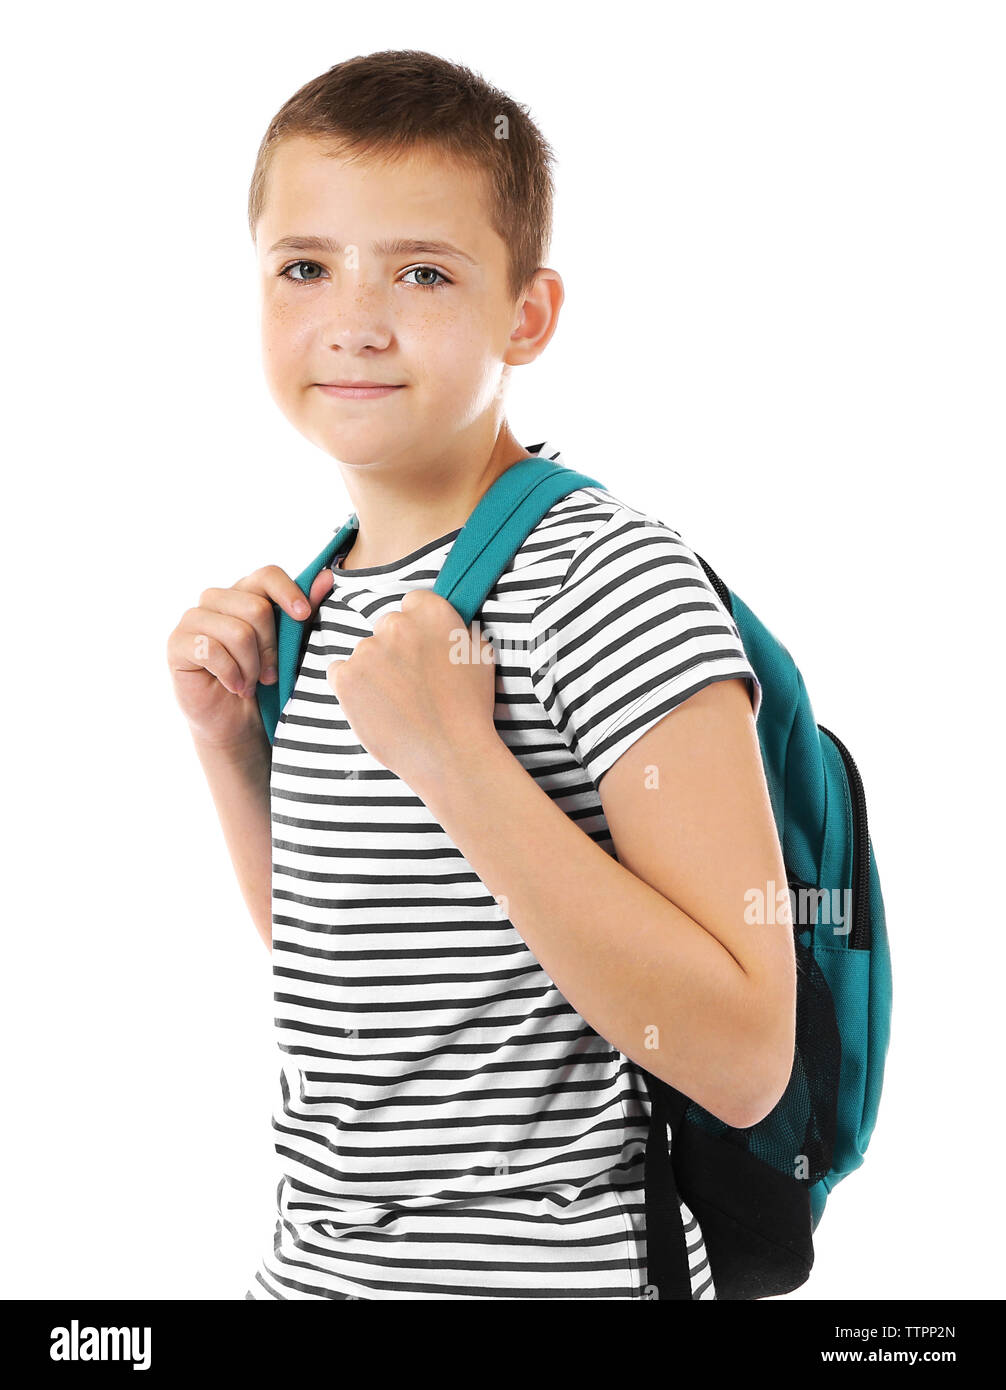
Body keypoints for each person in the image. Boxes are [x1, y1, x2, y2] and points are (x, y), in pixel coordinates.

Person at [166, 50, 796, 1300]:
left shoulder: (605, 574)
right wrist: (232, 747)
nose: (352, 317)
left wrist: (460, 758)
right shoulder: (328, 593)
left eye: (422, 271)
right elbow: (356, 968)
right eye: (304, 267)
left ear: (529, 314)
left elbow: (740, 1055)